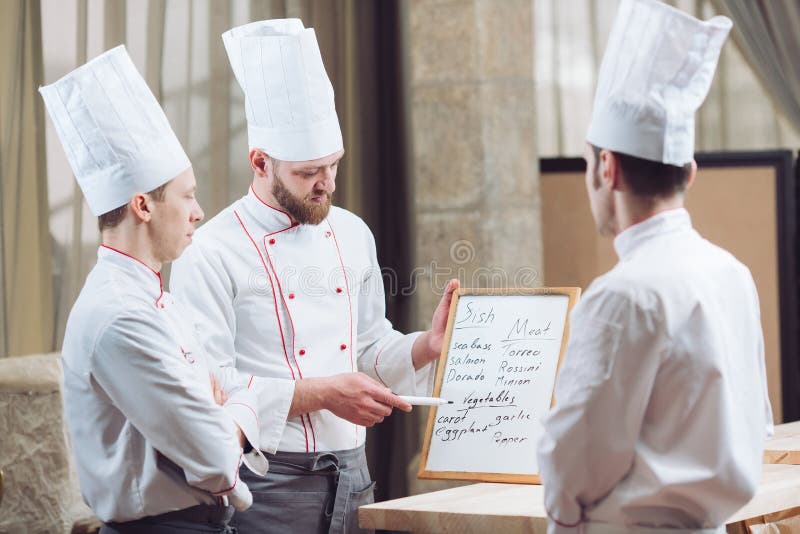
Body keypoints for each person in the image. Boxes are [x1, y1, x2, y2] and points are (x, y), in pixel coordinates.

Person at [170, 19, 458, 533]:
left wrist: (424, 347)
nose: (327, 185)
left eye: (334, 166)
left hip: (355, 476)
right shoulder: (209, 252)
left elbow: (367, 348)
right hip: (266, 483)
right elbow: (210, 388)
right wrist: (322, 393)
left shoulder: (352, 232)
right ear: (260, 162)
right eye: (308, 173)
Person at [536, 1, 773, 533]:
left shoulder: (622, 295)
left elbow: (573, 467)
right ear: (690, 172)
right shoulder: (732, 272)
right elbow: (754, 426)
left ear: (607, 168)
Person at [40, 45, 269, 533]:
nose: (198, 212)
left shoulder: (153, 298)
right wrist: (232, 414)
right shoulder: (120, 315)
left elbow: (230, 390)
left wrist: (223, 409)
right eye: (187, 196)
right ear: (143, 206)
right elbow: (215, 454)